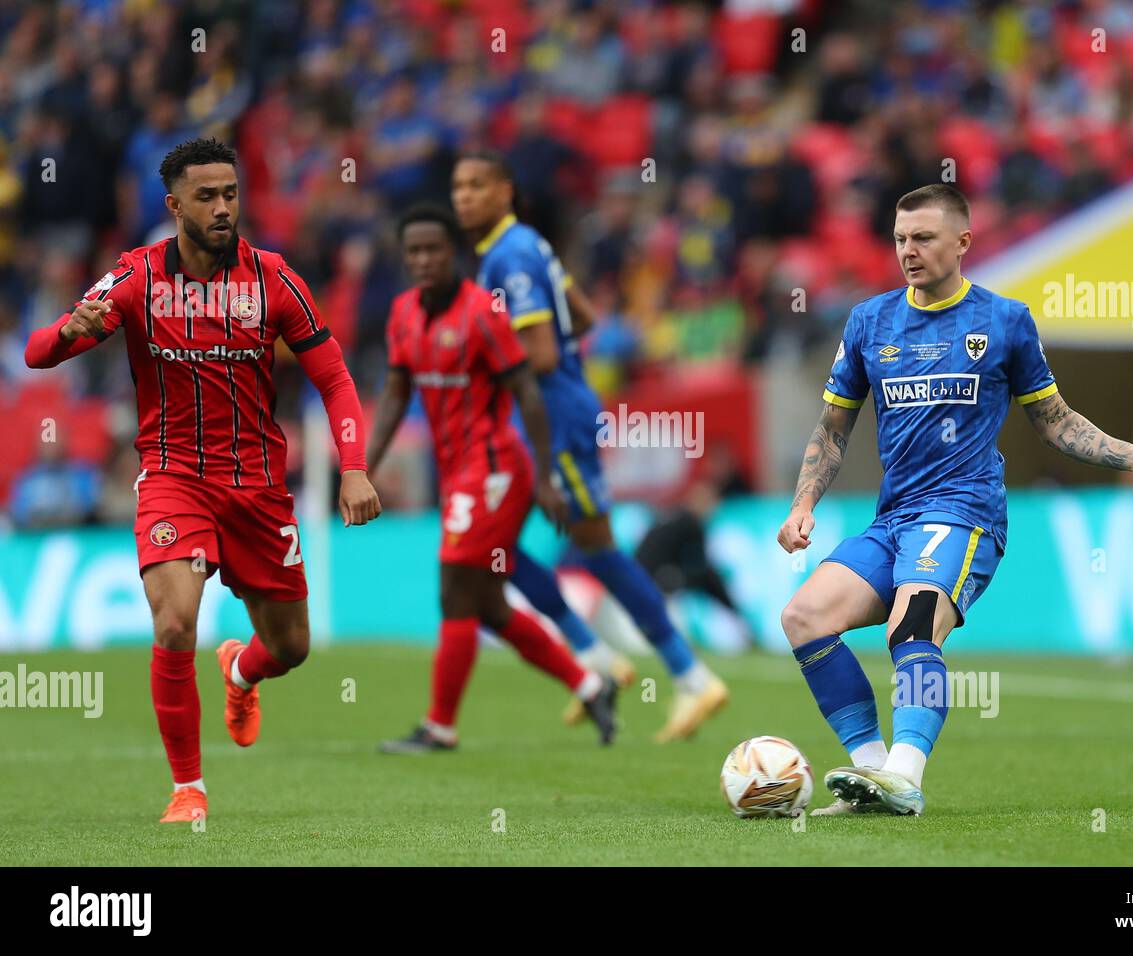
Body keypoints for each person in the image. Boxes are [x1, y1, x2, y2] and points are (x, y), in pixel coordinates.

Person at [777, 184, 1133, 816]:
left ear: (963, 242)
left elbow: (1054, 420)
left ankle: (906, 778)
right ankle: (872, 778)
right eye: (899, 240)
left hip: (964, 512)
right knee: (805, 616)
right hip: (894, 520)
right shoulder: (868, 321)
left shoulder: (1004, 320)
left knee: (910, 628)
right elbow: (833, 429)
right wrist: (803, 504)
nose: (907, 251)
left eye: (923, 238)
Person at [24, 137, 382, 824]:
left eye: (231, 194)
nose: (223, 208)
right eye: (207, 197)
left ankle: (241, 672)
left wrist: (355, 466)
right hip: (173, 478)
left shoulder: (275, 279)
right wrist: (71, 329)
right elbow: (41, 353)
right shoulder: (132, 277)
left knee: (291, 647)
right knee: (174, 624)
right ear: (175, 205)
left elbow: (333, 377)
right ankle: (189, 789)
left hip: (258, 487)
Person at [451, 149, 729, 742]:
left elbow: (546, 352)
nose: (464, 196)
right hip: (540, 417)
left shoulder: (513, 254)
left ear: (507, 191)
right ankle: (595, 658)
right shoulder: (525, 249)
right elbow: (581, 315)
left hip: (553, 420)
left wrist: (483, 368)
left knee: (594, 547)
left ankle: (687, 675)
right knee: (486, 549)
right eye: (458, 187)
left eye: (478, 184)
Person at [368, 203, 617, 751]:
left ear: (452, 253)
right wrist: (363, 466)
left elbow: (528, 391)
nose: (424, 259)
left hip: (498, 470)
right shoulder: (403, 313)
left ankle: (439, 727)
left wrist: (547, 478)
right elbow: (393, 393)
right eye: (414, 251)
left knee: (455, 588)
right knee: (488, 605)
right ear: (404, 259)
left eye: (434, 249)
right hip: (457, 472)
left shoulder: (482, 313)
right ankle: (591, 683)